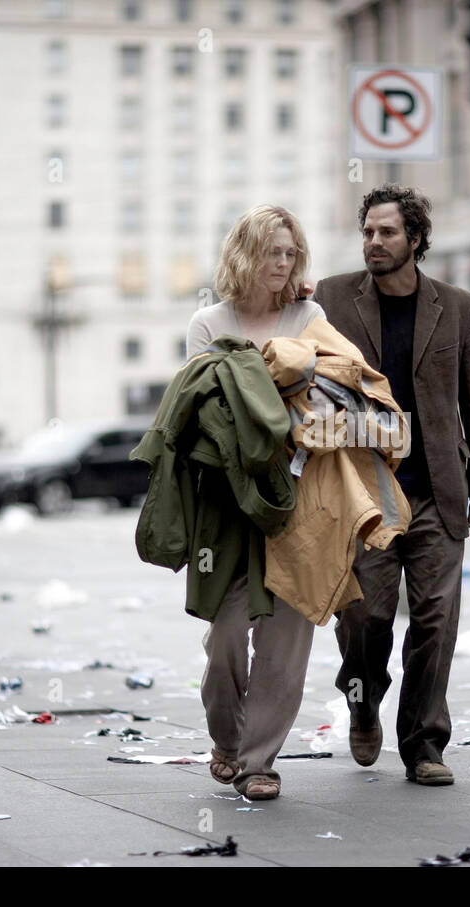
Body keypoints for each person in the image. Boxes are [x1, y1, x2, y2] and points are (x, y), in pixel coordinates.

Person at [311, 185, 470, 786]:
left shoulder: (460, 308)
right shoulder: (332, 299)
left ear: (416, 240)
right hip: (363, 492)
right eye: (368, 232)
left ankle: (424, 743)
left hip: (436, 489)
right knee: (366, 616)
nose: (374, 242)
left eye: (387, 233)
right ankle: (363, 698)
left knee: (436, 619)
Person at [185, 204, 324, 800]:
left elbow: (329, 395)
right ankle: (227, 738)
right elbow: (197, 410)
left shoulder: (309, 313)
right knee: (223, 642)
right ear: (246, 253)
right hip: (227, 507)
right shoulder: (208, 322)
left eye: (292, 253)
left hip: (300, 500)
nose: (284, 263)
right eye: (274, 252)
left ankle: (260, 763)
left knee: (285, 647)